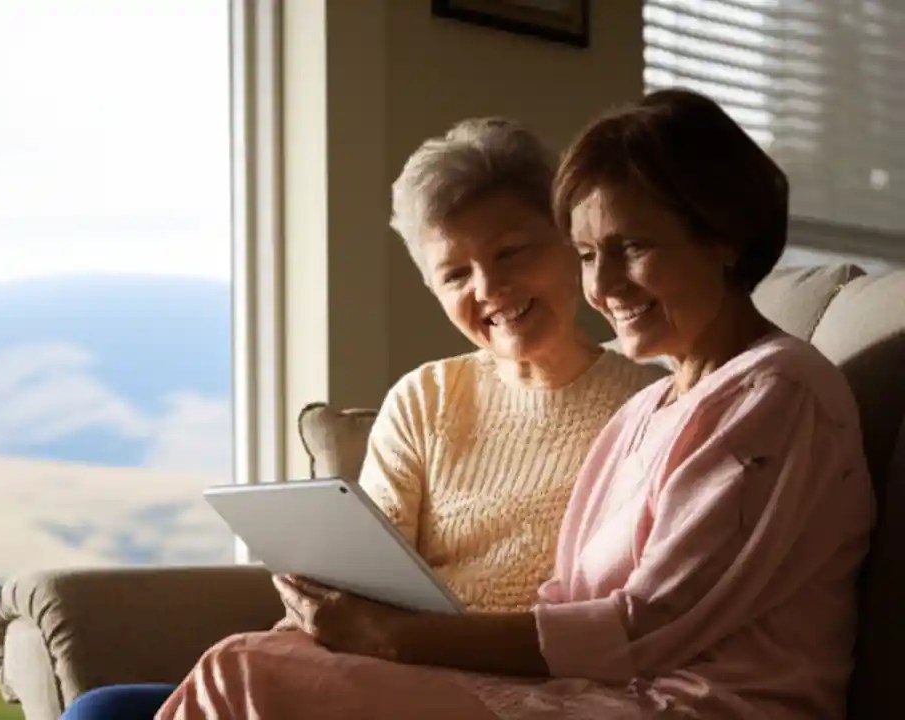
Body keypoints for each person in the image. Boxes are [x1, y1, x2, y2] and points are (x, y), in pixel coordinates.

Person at [154, 90, 875, 719]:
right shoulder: (649, 410)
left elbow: (647, 627)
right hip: (597, 695)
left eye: (631, 247)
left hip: (687, 707)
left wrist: (392, 638)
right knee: (249, 660)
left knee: (237, 672)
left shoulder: (778, 393)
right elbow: (564, 602)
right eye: (590, 255)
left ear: (723, 236)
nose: (606, 287)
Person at [60, 119, 661, 720]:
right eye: (455, 274)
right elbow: (367, 581)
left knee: (230, 668)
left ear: (566, 242)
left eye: (510, 252)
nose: (489, 288)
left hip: (521, 691)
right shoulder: (427, 398)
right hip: (386, 673)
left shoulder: (653, 409)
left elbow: (621, 622)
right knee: (103, 710)